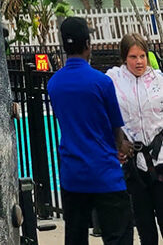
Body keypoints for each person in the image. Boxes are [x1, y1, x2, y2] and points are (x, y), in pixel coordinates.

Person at [46, 15, 133, 245]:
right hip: (104, 173)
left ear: (64, 46)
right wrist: (123, 148)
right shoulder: (101, 82)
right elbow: (116, 131)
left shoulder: (53, 84)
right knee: (118, 236)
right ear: (87, 45)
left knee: (75, 238)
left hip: (73, 174)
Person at [107, 31, 163, 245]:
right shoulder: (113, 80)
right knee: (144, 225)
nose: (139, 62)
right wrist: (116, 144)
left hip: (160, 161)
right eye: (133, 57)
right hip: (133, 165)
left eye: (142, 56)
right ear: (124, 58)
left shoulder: (159, 81)